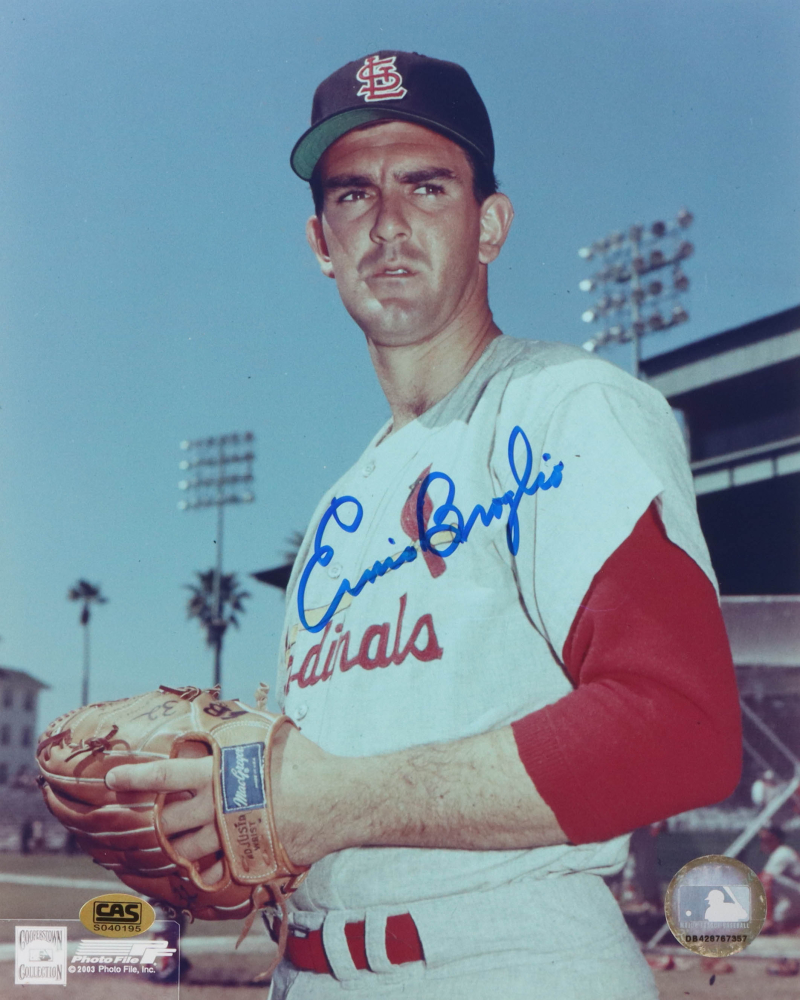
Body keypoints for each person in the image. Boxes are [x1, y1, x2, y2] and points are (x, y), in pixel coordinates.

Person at [108, 51, 742, 999]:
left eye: (426, 184)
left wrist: (329, 803)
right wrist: (226, 821)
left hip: (504, 963)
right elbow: (305, 796)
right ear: (321, 241)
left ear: (490, 223)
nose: (389, 223)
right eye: (354, 195)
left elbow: (681, 726)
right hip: (308, 973)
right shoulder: (338, 507)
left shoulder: (568, 406)